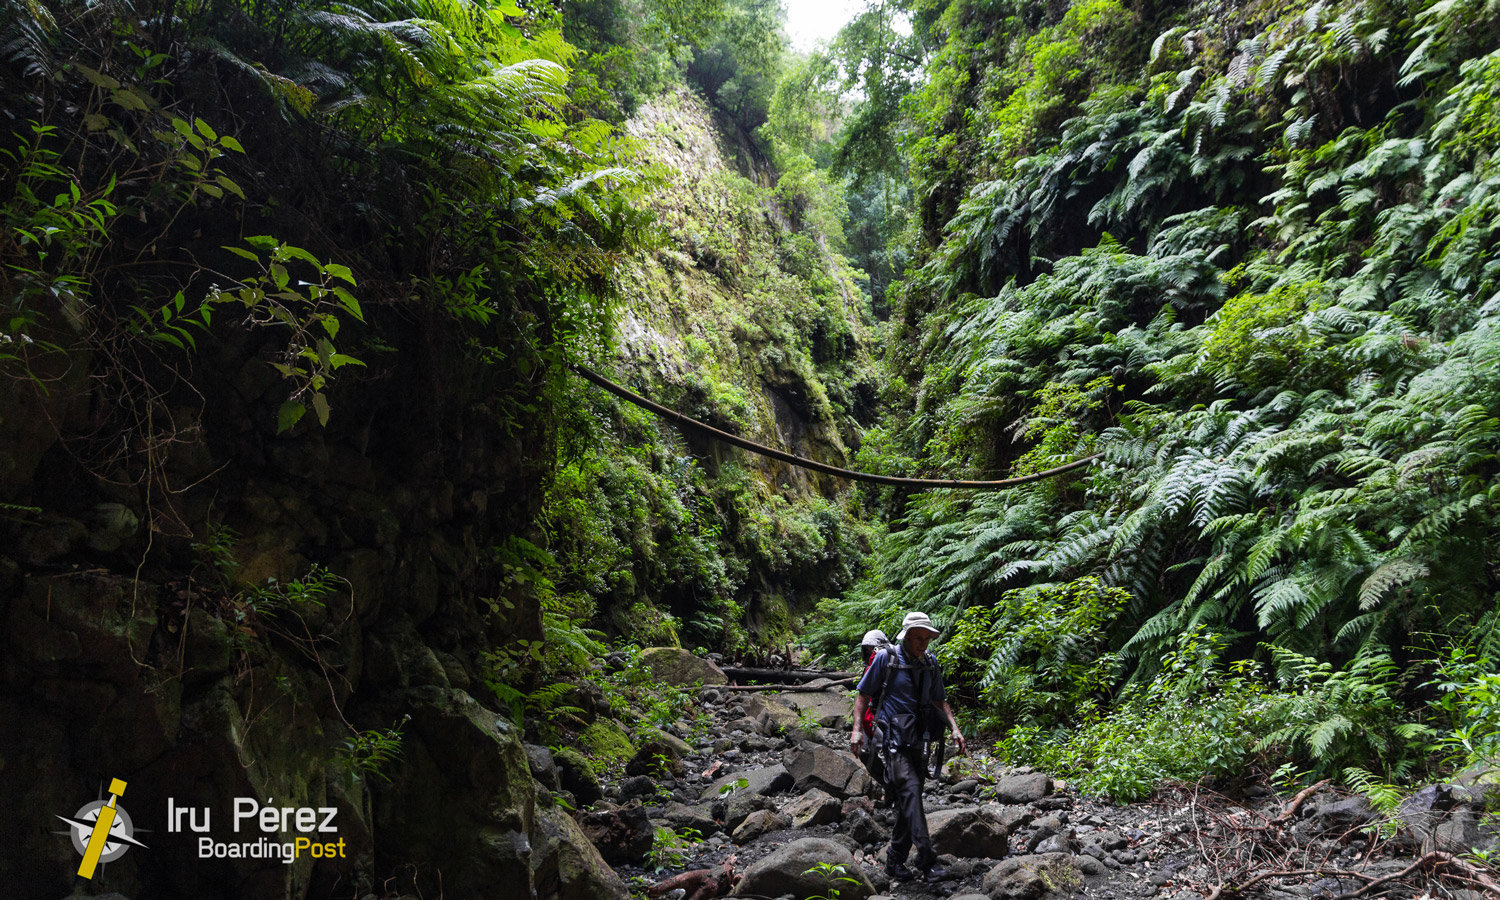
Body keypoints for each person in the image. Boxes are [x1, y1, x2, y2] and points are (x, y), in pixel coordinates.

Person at [850, 612, 967, 883]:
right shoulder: (885, 659)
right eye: (917, 638)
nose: (922, 644)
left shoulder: (930, 664)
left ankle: (894, 862)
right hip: (892, 744)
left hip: (919, 742)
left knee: (907, 802)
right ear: (906, 636)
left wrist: (955, 728)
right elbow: (863, 696)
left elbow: (940, 700)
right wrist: (857, 731)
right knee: (912, 793)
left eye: (926, 639)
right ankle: (927, 860)